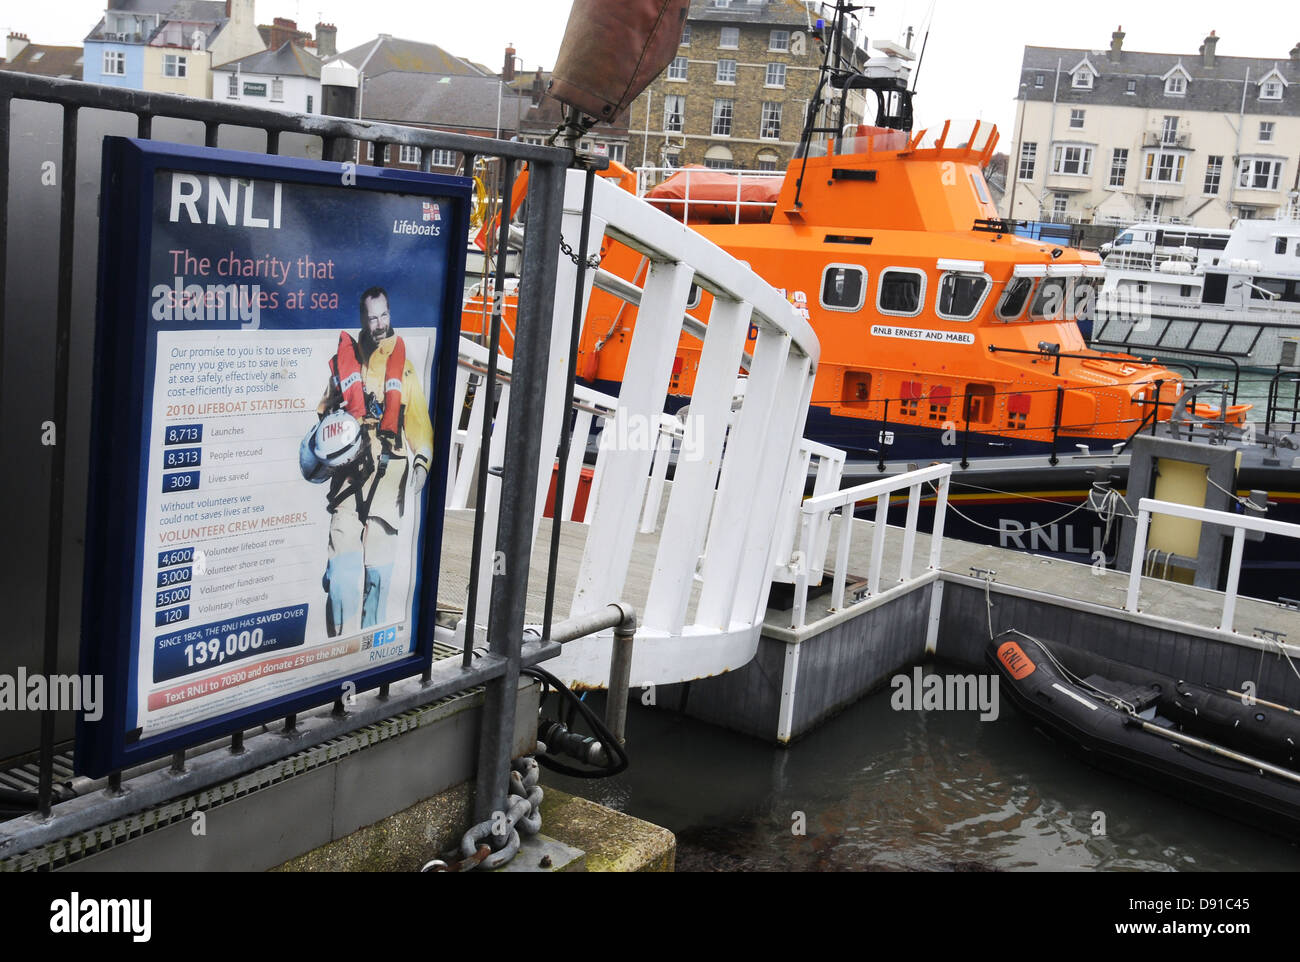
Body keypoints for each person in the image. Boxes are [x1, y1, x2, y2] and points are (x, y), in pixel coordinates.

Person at [317, 287, 433, 637]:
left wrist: (421, 463)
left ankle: (367, 651)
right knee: (342, 572)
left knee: (379, 577)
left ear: (390, 314)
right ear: (363, 320)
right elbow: (323, 417)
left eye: (384, 315)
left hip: (389, 478)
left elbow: (420, 425)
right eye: (372, 317)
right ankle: (339, 646)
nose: (379, 323)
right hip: (350, 477)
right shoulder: (346, 365)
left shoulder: (406, 371)